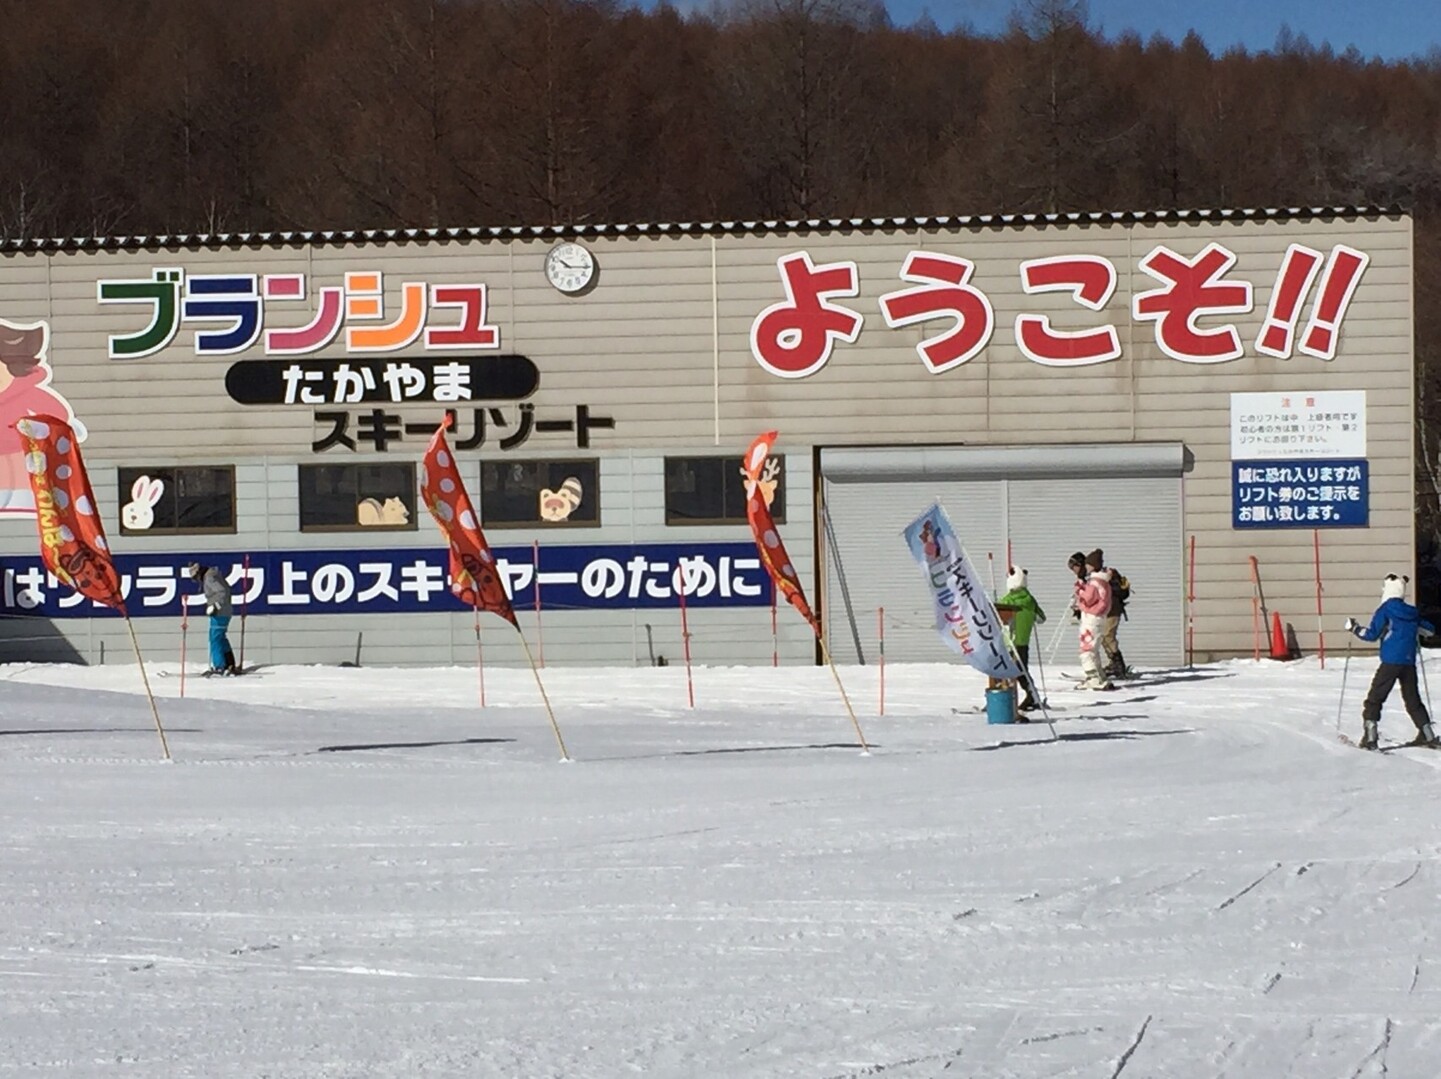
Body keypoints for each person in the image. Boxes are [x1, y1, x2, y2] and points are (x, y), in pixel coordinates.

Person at [1345, 573, 1438, 750]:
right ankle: (1428, 734)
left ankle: (1370, 737)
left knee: (1375, 698)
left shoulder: (1385, 610)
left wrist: (1354, 628)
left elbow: (1372, 635)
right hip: (1408, 662)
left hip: (1390, 662)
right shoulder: (1412, 612)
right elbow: (1430, 631)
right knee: (1412, 699)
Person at [997, 566, 1046, 712]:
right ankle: (1032, 694)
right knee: (1021, 670)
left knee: (1004, 670)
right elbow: (1041, 618)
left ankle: (1002, 699)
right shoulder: (1031, 600)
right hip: (1023, 642)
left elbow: (996, 614)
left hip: (1010, 642)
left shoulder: (1008, 600)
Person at [1070, 550, 1114, 690]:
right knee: (1094, 650)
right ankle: (1100, 676)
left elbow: (1088, 599)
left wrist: (1079, 591)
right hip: (1100, 618)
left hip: (1091, 619)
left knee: (1086, 650)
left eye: (1088, 564)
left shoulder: (1095, 582)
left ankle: (1093, 678)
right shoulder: (1104, 581)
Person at [1088, 547, 1134, 680]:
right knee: (1103, 637)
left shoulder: (1106, 576)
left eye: (1088, 564)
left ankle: (1119, 665)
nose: (1087, 567)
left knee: (1108, 636)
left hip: (1113, 610)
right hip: (1106, 611)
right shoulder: (1096, 576)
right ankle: (1114, 663)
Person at [187, 561, 238, 675]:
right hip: (225, 611)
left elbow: (222, 592)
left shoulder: (209, 578)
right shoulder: (213, 575)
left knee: (214, 638)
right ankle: (229, 663)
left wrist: (215, 606)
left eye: (196, 577)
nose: (197, 580)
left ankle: (220, 666)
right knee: (220, 637)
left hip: (219, 612)